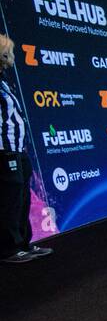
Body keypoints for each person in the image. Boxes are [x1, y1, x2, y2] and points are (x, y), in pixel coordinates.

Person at [1, 34, 51, 264]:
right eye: (7, 53)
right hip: (4, 151)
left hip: (17, 149)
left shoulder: (3, 83)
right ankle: (9, 249)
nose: (11, 57)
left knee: (22, 198)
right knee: (10, 199)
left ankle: (23, 243)